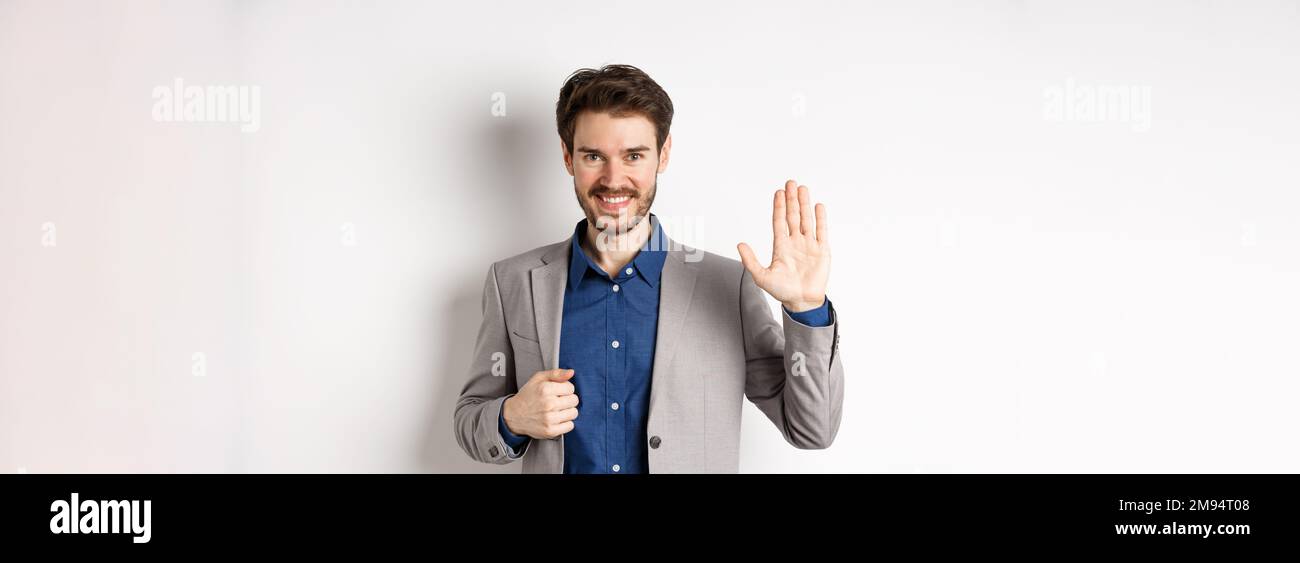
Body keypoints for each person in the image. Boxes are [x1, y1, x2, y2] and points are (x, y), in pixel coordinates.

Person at [454, 64, 844, 473]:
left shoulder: (728, 286)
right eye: (593, 156)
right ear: (569, 157)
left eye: (634, 156)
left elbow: (812, 430)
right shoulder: (512, 281)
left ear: (664, 154)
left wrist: (806, 309)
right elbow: (469, 419)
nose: (613, 178)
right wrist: (512, 417)